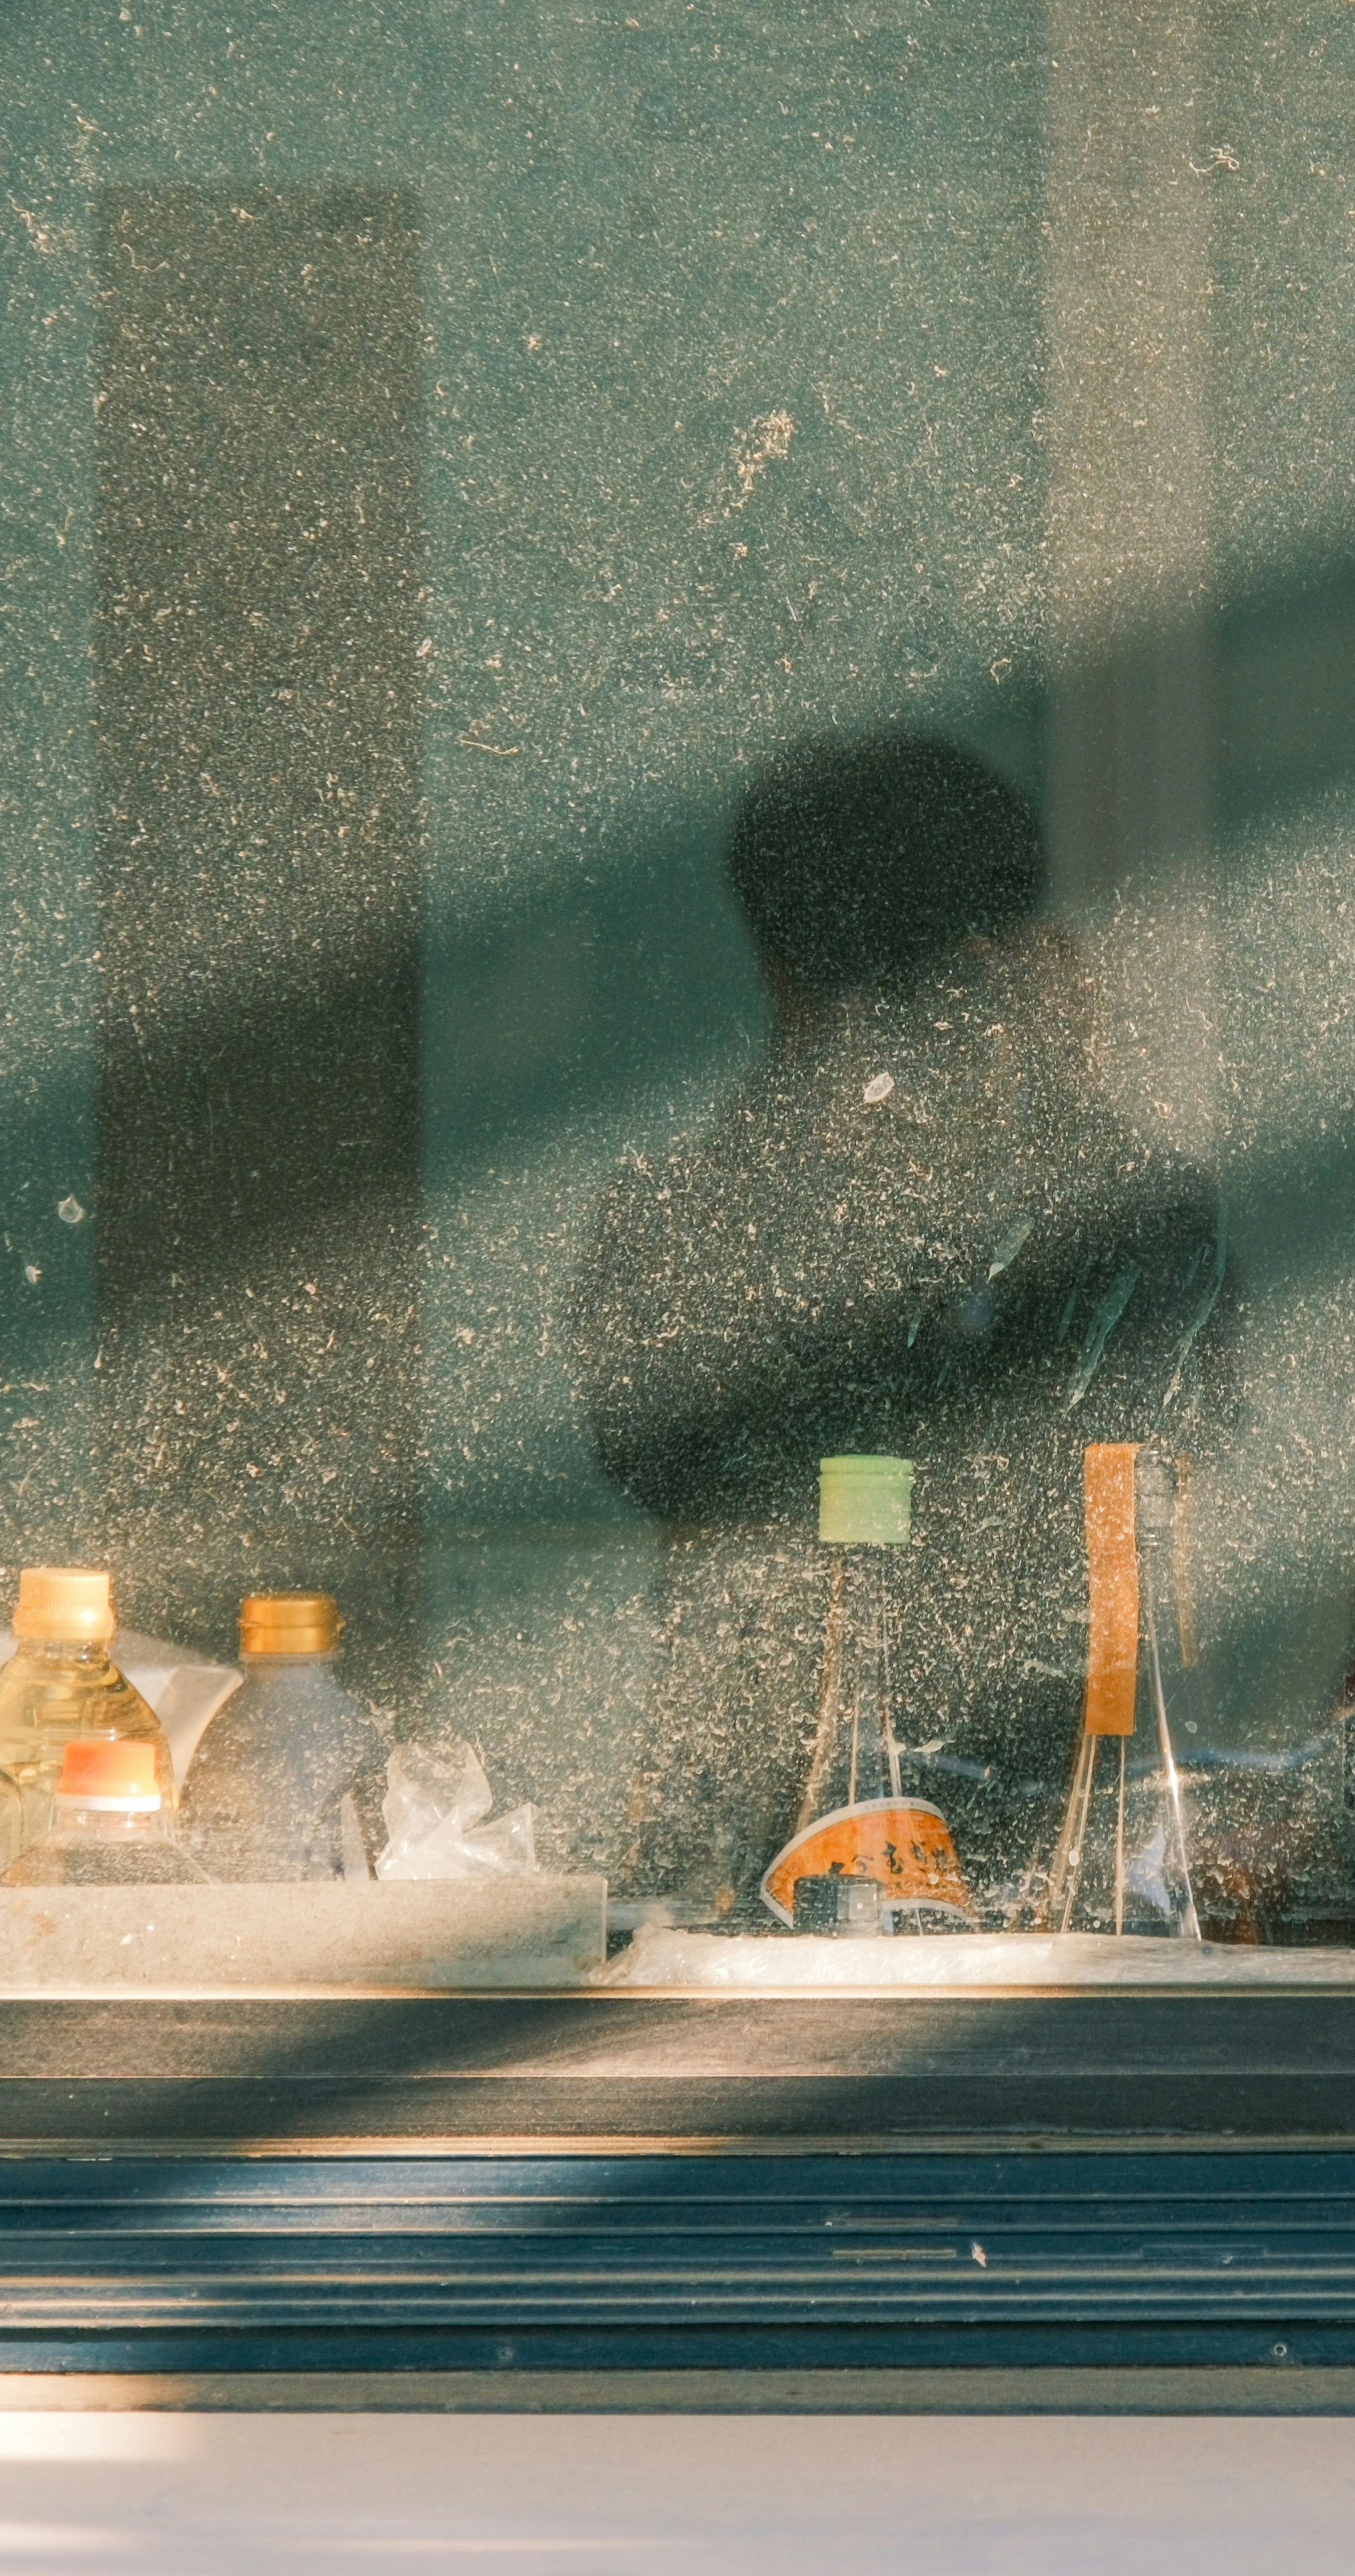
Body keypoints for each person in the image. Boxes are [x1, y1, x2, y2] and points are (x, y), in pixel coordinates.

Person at [564, 730, 1239, 1913]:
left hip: (898, 1844)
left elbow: (1150, 1464)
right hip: (859, 1847)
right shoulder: (696, 1229)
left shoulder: (1121, 1228)